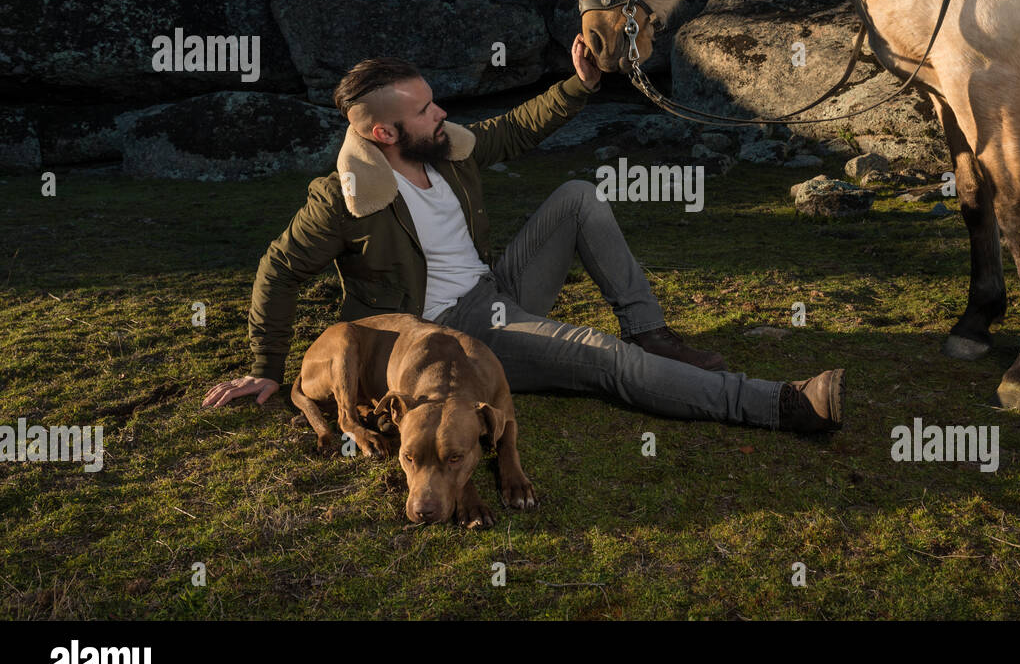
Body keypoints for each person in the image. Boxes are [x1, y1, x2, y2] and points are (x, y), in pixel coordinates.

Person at [202, 34, 845, 432]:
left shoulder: (443, 150)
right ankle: (781, 406)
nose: (441, 111)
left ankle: (652, 331)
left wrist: (580, 85)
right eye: (424, 109)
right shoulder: (344, 199)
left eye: (432, 99)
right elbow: (280, 269)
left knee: (577, 198)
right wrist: (265, 369)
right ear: (383, 133)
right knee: (603, 360)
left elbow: (512, 130)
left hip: (496, 289)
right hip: (448, 333)